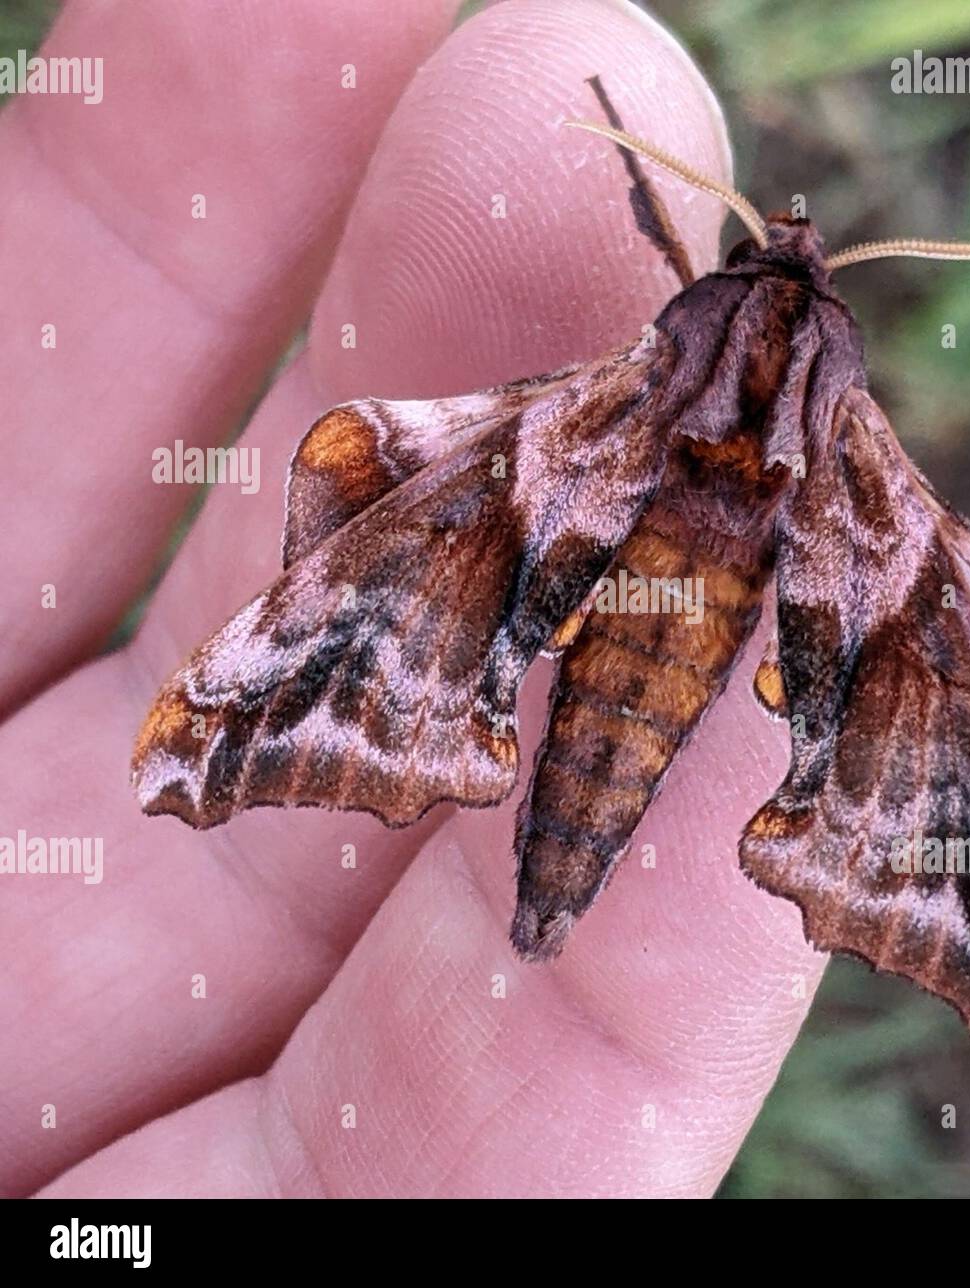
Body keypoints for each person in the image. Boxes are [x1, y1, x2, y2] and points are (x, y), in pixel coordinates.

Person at [1, 0, 824, 1198]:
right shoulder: (839, 484)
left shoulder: (644, 386)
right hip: (702, 652)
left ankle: (276, 708)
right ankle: (278, 718)